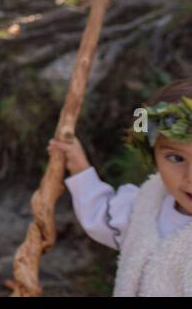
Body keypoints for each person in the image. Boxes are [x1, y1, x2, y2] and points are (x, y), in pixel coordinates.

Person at [49, 79, 192, 296]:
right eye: (175, 157)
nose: (190, 177)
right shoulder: (148, 204)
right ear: (152, 154)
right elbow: (104, 216)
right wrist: (79, 167)